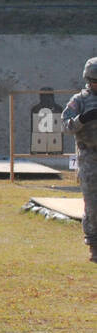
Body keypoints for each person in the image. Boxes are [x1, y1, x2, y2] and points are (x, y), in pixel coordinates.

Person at [62, 56, 97, 262]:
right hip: (89, 157)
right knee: (93, 204)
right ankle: (94, 244)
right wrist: (82, 119)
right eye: (95, 81)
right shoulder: (79, 100)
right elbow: (65, 126)